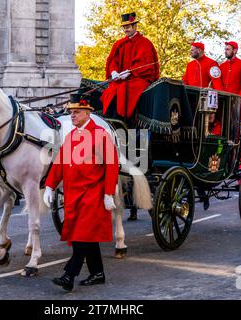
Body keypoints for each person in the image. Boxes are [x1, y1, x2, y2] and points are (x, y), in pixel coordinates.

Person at [43, 94, 119, 292]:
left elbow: (111, 166)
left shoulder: (101, 134)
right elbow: (59, 163)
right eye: (70, 112)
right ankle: (98, 273)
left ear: (87, 113)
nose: (72, 116)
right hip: (73, 194)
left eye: (76, 112)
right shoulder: (71, 135)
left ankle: (69, 275)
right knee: (85, 235)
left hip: (92, 193)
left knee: (81, 236)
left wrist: (108, 193)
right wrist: (50, 185)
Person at [101, 12, 159, 127]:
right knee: (111, 90)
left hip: (139, 78)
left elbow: (146, 65)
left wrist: (129, 72)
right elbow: (113, 61)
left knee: (124, 90)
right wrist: (113, 72)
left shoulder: (145, 43)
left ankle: (125, 121)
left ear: (134, 26)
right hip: (120, 79)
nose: (125, 30)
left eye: (127, 27)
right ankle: (110, 121)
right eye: (124, 27)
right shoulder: (119, 44)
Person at [219, 41, 241, 122]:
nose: (225, 51)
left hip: (236, 102)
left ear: (235, 51)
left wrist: (238, 99)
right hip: (223, 102)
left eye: (228, 49)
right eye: (225, 49)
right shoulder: (221, 66)